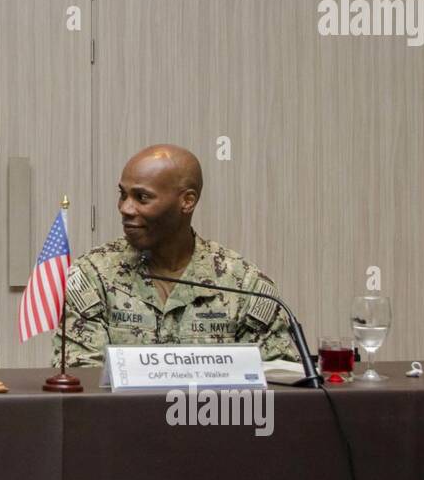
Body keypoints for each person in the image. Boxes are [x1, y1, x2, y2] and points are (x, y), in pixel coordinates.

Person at [56, 144, 297, 367]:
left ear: (187, 201)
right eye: (123, 194)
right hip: (122, 414)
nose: (125, 208)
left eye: (142, 197)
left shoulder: (244, 284)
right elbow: (82, 379)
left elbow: (277, 381)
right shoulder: (93, 274)